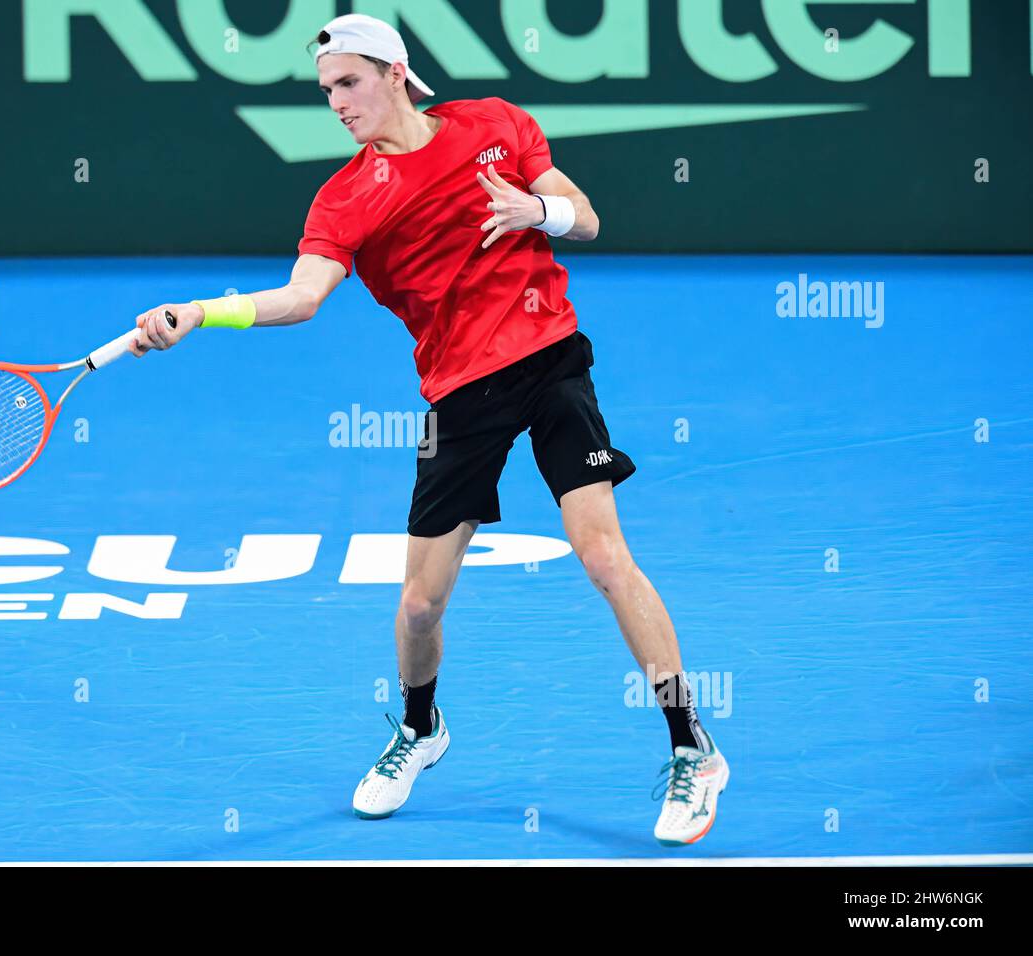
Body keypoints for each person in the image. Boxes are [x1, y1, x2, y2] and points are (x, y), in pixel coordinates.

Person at [131, 13, 728, 846]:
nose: (337, 103)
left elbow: (585, 219)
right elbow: (301, 299)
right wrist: (199, 312)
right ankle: (419, 730)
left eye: (348, 83)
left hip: (551, 357)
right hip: (461, 395)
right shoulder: (344, 198)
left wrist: (538, 213)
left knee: (602, 554)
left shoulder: (495, 125)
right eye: (327, 91)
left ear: (396, 73)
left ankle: (689, 745)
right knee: (418, 606)